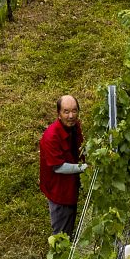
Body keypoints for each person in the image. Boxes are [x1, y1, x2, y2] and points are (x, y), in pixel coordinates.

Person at [39, 95, 88, 236]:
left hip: (71, 185)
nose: (71, 116)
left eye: (74, 111)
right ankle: (59, 253)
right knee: (61, 230)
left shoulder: (75, 126)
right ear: (58, 114)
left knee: (69, 218)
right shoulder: (51, 137)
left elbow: (80, 146)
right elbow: (58, 167)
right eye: (66, 111)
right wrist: (84, 167)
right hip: (59, 190)